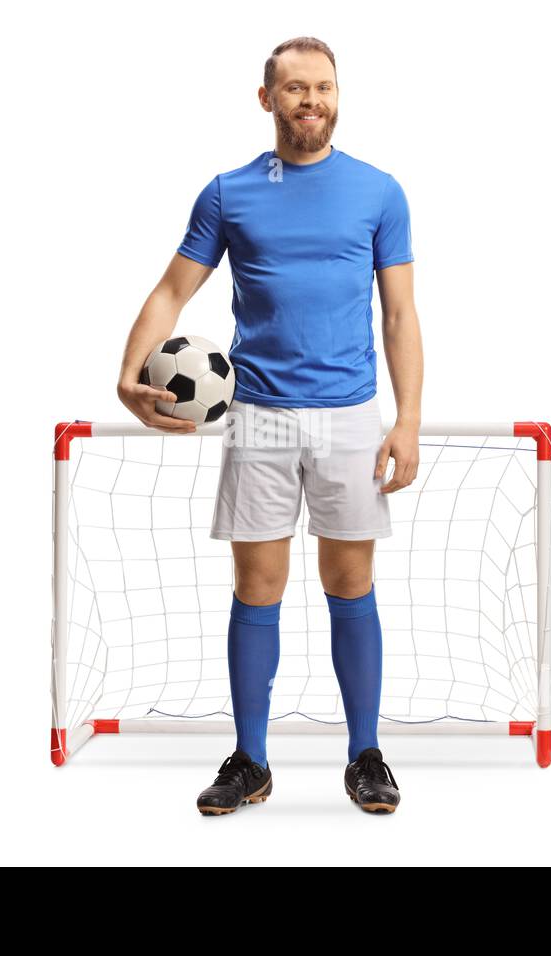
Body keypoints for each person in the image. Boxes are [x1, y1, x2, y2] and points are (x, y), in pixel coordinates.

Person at [116, 37, 422, 815]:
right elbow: (169, 293)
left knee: (350, 582)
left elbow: (399, 314)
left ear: (337, 97)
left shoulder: (379, 192)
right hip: (257, 417)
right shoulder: (229, 193)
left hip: (352, 415)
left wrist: (407, 418)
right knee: (257, 587)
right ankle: (250, 760)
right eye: (293, 88)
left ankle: (366, 755)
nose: (309, 99)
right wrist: (128, 372)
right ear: (268, 100)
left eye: (322, 87)